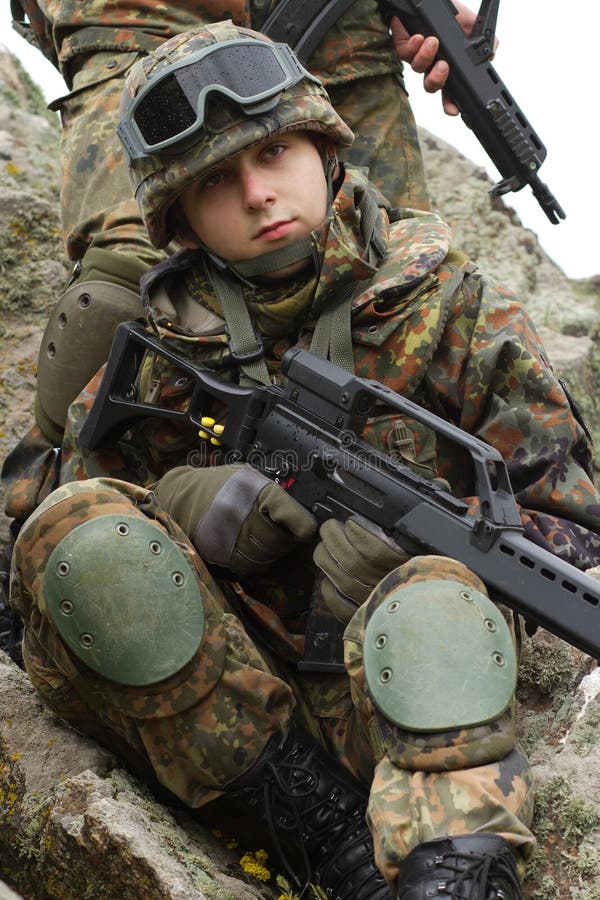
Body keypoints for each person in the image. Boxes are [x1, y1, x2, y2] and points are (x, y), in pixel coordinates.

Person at [7, 20, 596, 899]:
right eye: (215, 181)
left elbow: (576, 536)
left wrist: (417, 547)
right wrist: (181, 505)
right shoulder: (167, 333)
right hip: (229, 716)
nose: (257, 193)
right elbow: (35, 521)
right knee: (85, 538)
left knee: (431, 600)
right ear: (178, 213)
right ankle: (323, 837)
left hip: (410, 700)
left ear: (324, 145)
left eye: (275, 151)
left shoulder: (452, 304)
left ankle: (454, 873)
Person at [9, 0, 479, 449]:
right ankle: (64, 487)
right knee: (116, 297)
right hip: (140, 16)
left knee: (398, 282)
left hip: (345, 28)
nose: (257, 195)